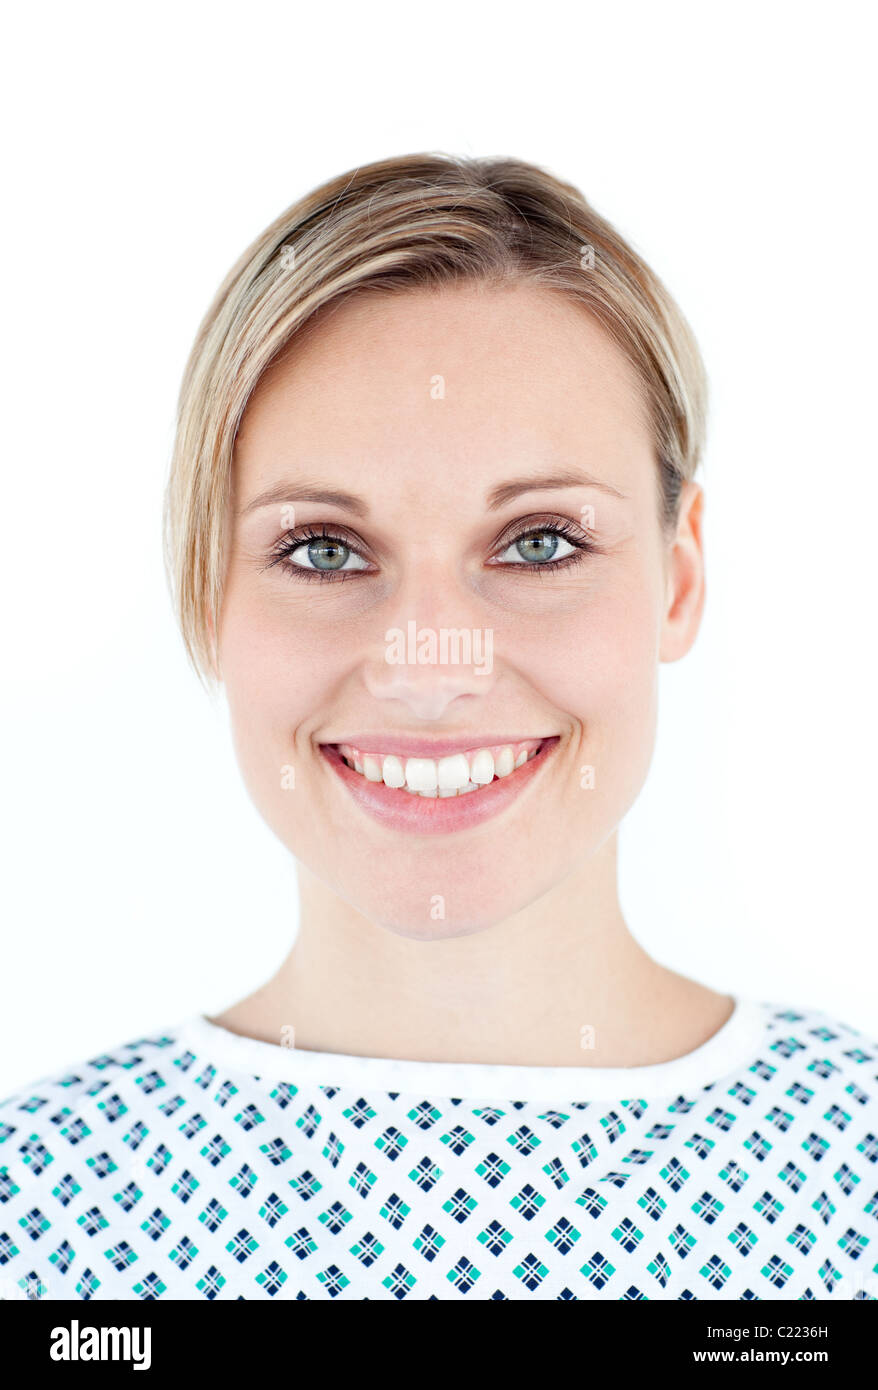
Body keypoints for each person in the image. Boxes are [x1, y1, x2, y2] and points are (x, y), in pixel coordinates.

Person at [2, 154, 875, 1302]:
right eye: (321, 549)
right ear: (207, 590)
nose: (428, 667)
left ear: (676, 575)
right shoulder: (41, 1206)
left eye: (540, 541)